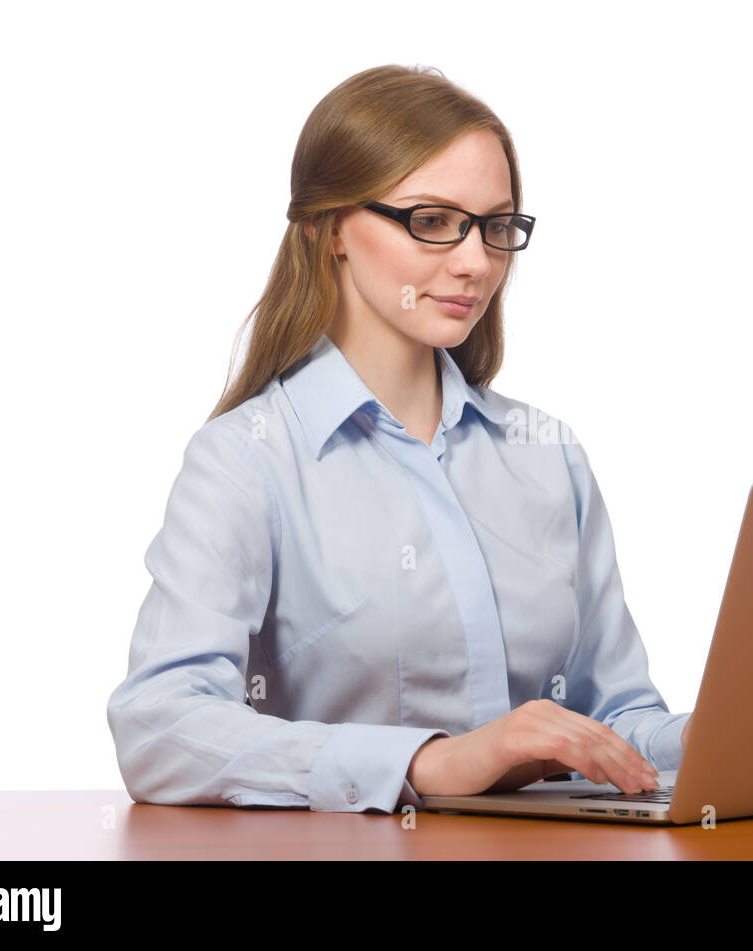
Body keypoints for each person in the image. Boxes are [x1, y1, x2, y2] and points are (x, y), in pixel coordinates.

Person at [106, 64, 693, 814]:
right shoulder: (248, 459)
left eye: (496, 226)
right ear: (331, 230)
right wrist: (429, 761)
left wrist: (734, 733)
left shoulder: (548, 454)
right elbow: (159, 725)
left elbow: (613, 722)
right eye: (433, 220)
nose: (477, 261)